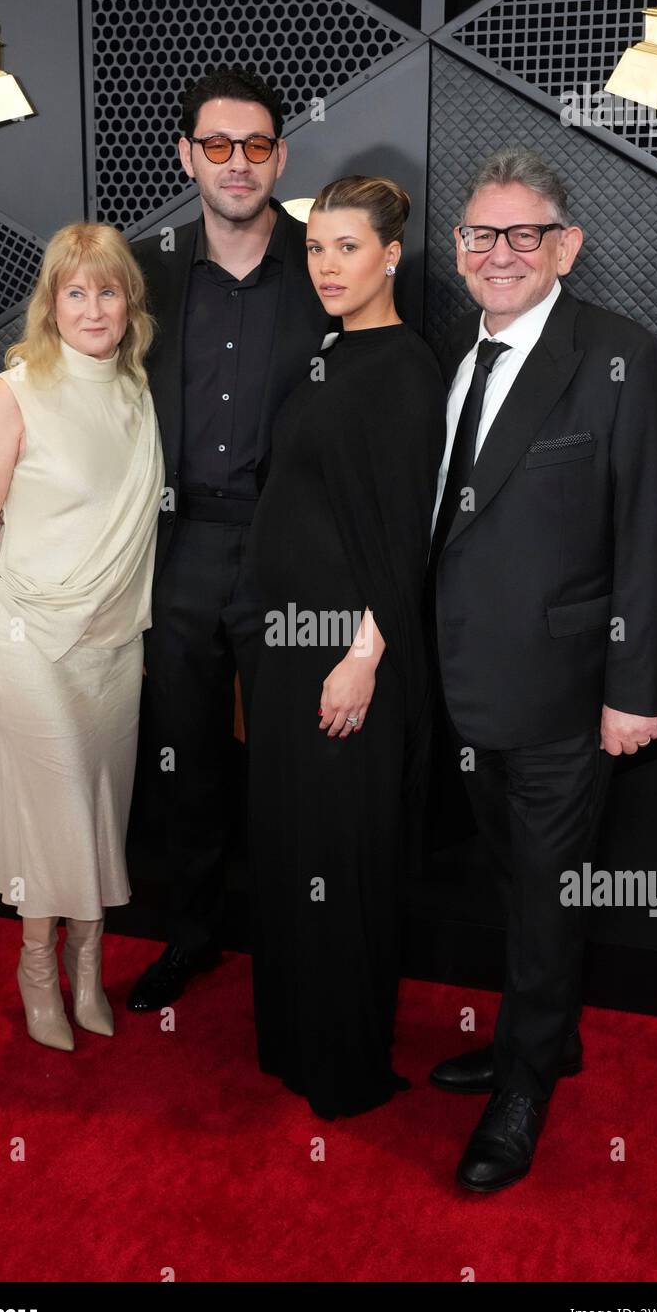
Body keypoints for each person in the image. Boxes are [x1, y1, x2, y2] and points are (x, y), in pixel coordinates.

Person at [425, 146, 657, 1189]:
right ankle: (544, 1034)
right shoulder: (461, 353)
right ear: (456, 250)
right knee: (513, 879)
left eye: (521, 233)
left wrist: (631, 692)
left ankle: (523, 1082)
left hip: (567, 697)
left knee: (543, 892)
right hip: (465, 689)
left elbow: (647, 538)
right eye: (479, 235)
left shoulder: (622, 356)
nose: (499, 253)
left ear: (564, 245)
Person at [127, 68, 333, 1012]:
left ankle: (300, 952)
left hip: (293, 547)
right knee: (185, 755)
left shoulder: (331, 264)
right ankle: (193, 937)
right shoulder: (149, 272)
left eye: (256, 146)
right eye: (217, 145)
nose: (237, 163)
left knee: (297, 761)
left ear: (281, 156)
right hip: (177, 551)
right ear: (188, 157)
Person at [245, 176, 447, 1119]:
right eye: (317, 247)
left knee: (343, 854)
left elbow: (409, 535)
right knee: (294, 846)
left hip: (351, 657)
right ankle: (296, 1039)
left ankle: (343, 1060)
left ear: (392, 255)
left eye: (348, 248)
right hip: (287, 652)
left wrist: (364, 655)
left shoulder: (409, 370)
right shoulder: (330, 353)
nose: (327, 266)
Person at [0, 223, 164, 1052]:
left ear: (128, 300)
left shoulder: (135, 390)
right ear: (52, 303)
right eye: (76, 291)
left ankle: (87, 967)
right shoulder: (15, 392)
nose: (93, 307)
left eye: (108, 290)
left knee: (102, 809)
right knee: (54, 810)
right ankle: (41, 968)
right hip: (30, 639)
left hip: (115, 646)